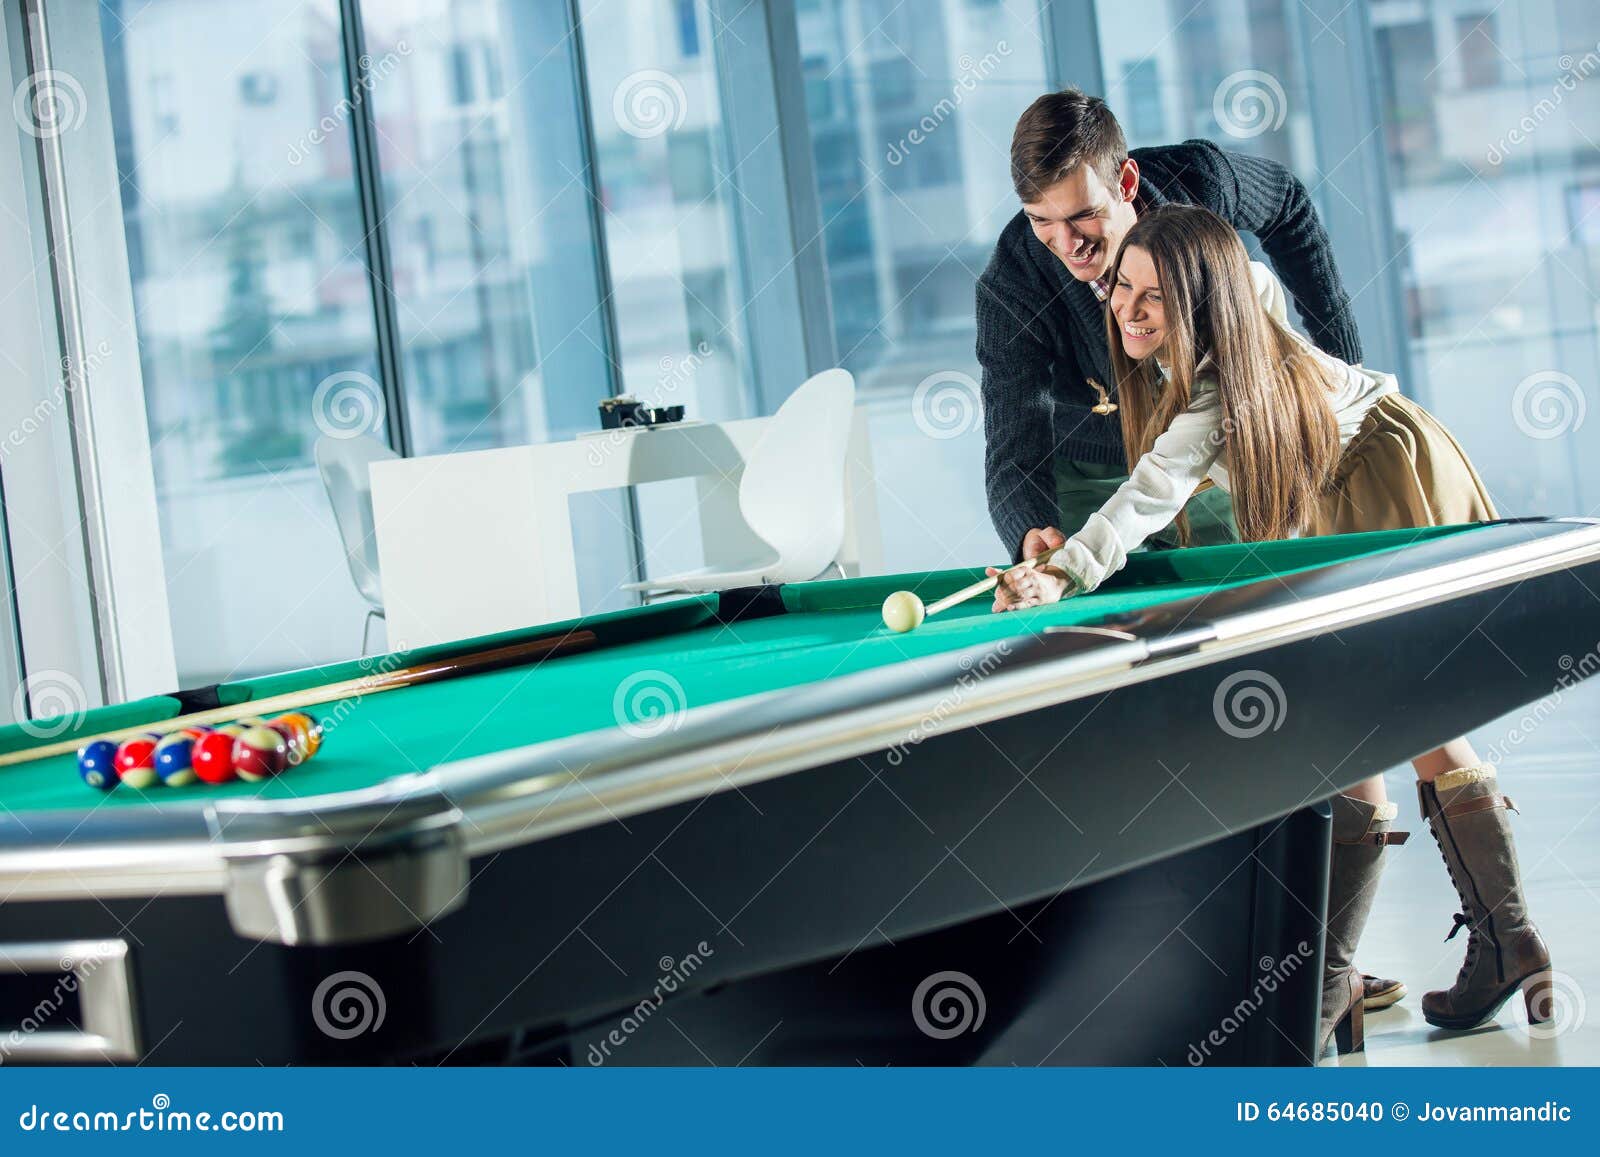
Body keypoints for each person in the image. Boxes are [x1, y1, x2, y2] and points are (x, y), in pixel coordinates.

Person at [990, 204, 1553, 1059]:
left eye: (1155, 298)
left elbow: (1152, 490)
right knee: (1389, 724)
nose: (1130, 311)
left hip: (1382, 475)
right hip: (1345, 486)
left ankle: (1330, 987)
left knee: (1369, 724)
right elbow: (1238, 279)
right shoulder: (1230, 305)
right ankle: (1482, 950)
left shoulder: (1216, 389)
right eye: (1124, 290)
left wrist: (1062, 570)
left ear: (1199, 304)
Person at [978, 89, 1361, 566]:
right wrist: (1029, 527)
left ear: (1126, 182)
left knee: (1247, 593)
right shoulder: (1012, 283)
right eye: (1042, 220)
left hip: (1213, 450)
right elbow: (1013, 433)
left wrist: (1341, 360)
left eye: (1083, 215)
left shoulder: (1200, 181)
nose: (1067, 242)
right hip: (1091, 471)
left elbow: (1288, 204)